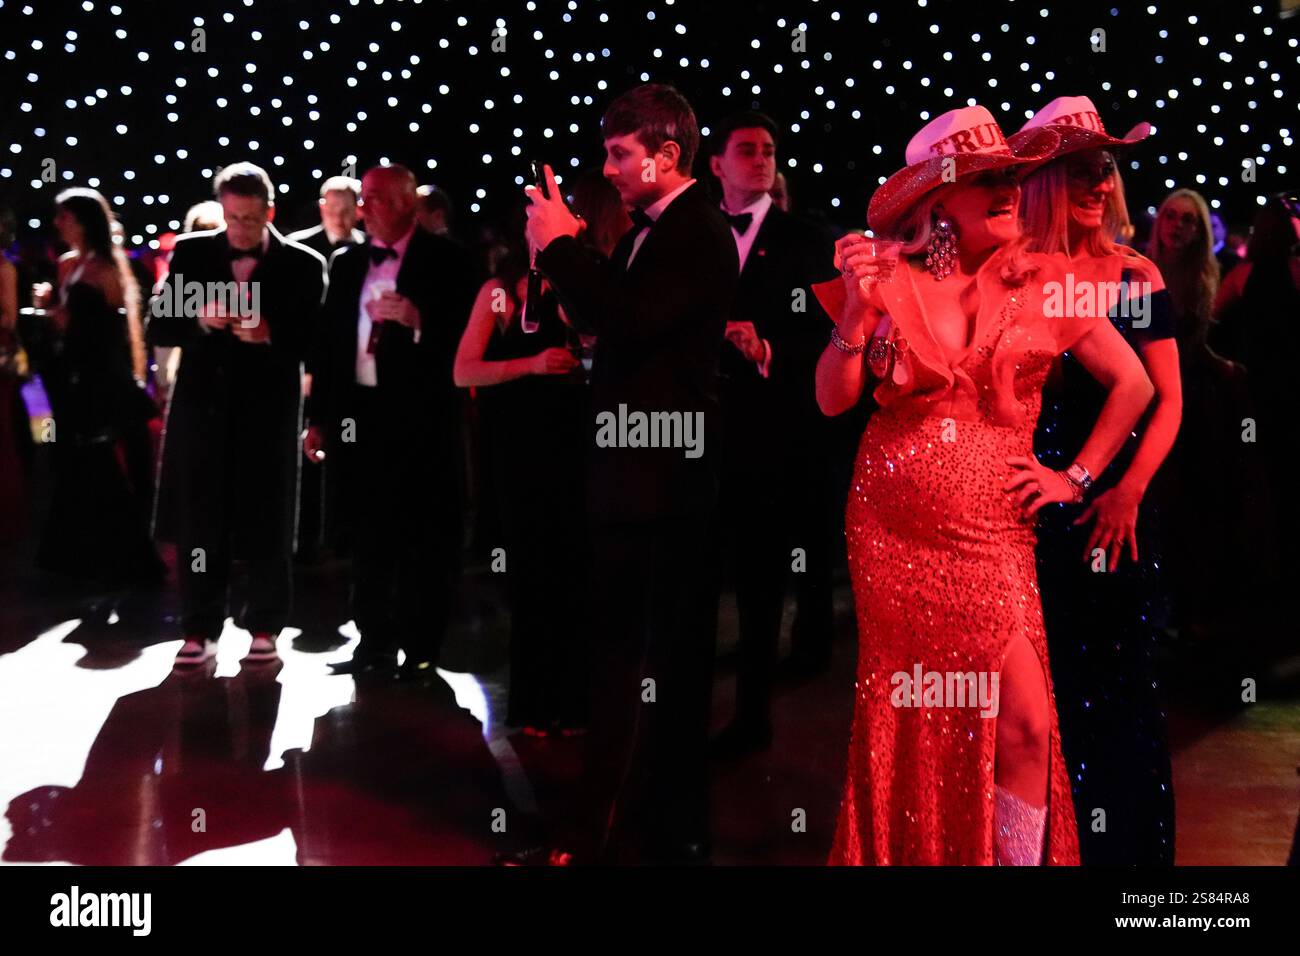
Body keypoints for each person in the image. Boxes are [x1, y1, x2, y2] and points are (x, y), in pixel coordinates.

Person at [815, 105, 1154, 865]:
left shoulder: (1039, 283)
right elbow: (833, 397)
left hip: (997, 535)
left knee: (1027, 723)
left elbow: (1133, 383)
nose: (1010, 190)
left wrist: (1076, 477)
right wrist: (853, 316)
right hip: (893, 534)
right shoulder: (888, 281)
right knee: (917, 719)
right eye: (987, 179)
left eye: (1010, 175)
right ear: (937, 200)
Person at [522, 83, 738, 864]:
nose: (607, 168)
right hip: (640, 477)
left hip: (660, 485)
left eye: (619, 154)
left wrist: (557, 246)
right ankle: (644, 832)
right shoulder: (660, 230)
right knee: (634, 666)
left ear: (666, 155)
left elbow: (628, 318)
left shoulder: (695, 231)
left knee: (637, 670)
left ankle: (609, 840)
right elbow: (620, 324)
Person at [1015, 96, 1180, 865]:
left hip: (1115, 507)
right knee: (1039, 697)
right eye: (1078, 169)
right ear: (1044, 181)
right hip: (1029, 511)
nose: (1096, 182)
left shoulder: (1135, 273)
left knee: (1116, 688)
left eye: (1104, 168)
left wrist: (1126, 488)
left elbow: (1168, 399)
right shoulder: (1018, 271)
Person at [454, 176, 627, 735]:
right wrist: (529, 366)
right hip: (522, 452)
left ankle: (577, 705)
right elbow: (464, 370)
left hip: (580, 443)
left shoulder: (590, 283)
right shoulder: (500, 292)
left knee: (579, 573)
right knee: (531, 579)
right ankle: (533, 705)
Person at [149, 162, 326, 667]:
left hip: (268, 412)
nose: (241, 228)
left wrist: (270, 332)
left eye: (250, 219)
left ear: (269, 211)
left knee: (268, 516)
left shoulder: (302, 263)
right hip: (202, 409)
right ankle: (199, 626)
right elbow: (159, 326)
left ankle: (266, 625)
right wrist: (201, 319)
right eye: (232, 218)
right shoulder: (192, 253)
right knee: (199, 517)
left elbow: (318, 340)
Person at [305, 164, 477, 680]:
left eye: (377, 198)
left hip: (422, 416)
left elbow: (473, 336)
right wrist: (319, 420)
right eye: (364, 199)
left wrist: (419, 320)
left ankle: (422, 647)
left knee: (425, 537)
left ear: (407, 202)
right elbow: (331, 348)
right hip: (361, 415)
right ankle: (373, 643)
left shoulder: (448, 259)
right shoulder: (348, 261)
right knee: (368, 536)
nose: (365, 208)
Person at [704, 110, 839, 758]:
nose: (760, 159)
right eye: (746, 149)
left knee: (761, 587)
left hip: (768, 437)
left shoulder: (807, 239)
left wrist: (767, 346)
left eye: (768, 150)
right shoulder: (690, 234)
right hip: (689, 438)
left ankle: (751, 716)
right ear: (717, 165)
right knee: (693, 585)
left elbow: (831, 334)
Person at [31, 188, 162, 585]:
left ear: (83, 221)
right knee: (75, 461)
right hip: (70, 377)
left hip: (99, 376)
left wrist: (58, 314)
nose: (58, 224)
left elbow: (109, 331)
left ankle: (116, 555)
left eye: (64, 217)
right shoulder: (68, 265)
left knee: (99, 459)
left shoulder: (106, 268)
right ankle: (81, 556)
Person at [287, 176, 364, 564]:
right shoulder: (298, 248)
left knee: (345, 450)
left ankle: (339, 539)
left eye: (347, 209)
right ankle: (303, 543)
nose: (339, 216)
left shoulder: (368, 251)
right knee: (306, 451)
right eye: (333, 209)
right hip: (304, 367)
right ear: (322, 207)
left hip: (346, 372)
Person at [287, 176, 364, 261]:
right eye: (331, 210)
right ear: (322, 208)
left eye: (346, 211)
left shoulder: (371, 245)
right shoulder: (296, 244)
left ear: (358, 210)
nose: (338, 218)